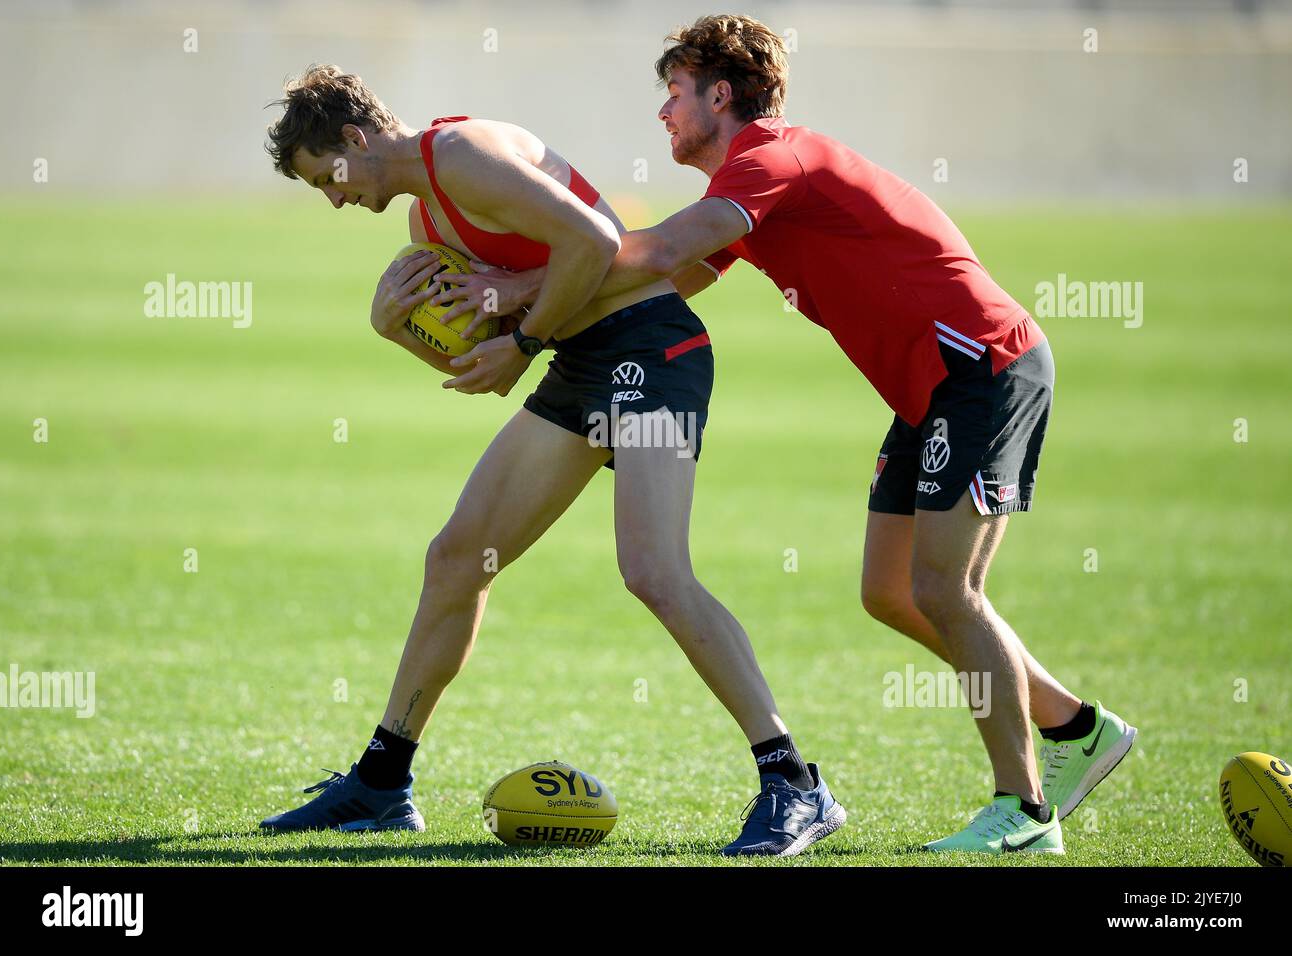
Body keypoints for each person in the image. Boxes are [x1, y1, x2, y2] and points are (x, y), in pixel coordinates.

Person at [435, 16, 1136, 854]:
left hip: (981, 364)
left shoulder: (771, 158)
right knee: (893, 590)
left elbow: (663, 248)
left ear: (720, 94)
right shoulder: (749, 182)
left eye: (675, 93)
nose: (663, 113)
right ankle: (1075, 729)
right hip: (932, 388)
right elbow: (677, 276)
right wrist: (547, 316)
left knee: (947, 589)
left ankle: (1023, 811)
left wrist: (516, 292)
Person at [257, 65, 846, 856]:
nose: (332, 198)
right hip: (581, 369)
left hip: (653, 350)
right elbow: (485, 361)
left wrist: (526, 336)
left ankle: (795, 785)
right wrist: (394, 330)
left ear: (356, 141)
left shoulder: (461, 155)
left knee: (653, 572)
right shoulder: (426, 229)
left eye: (324, 176)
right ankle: (382, 782)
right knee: (458, 557)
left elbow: (596, 243)